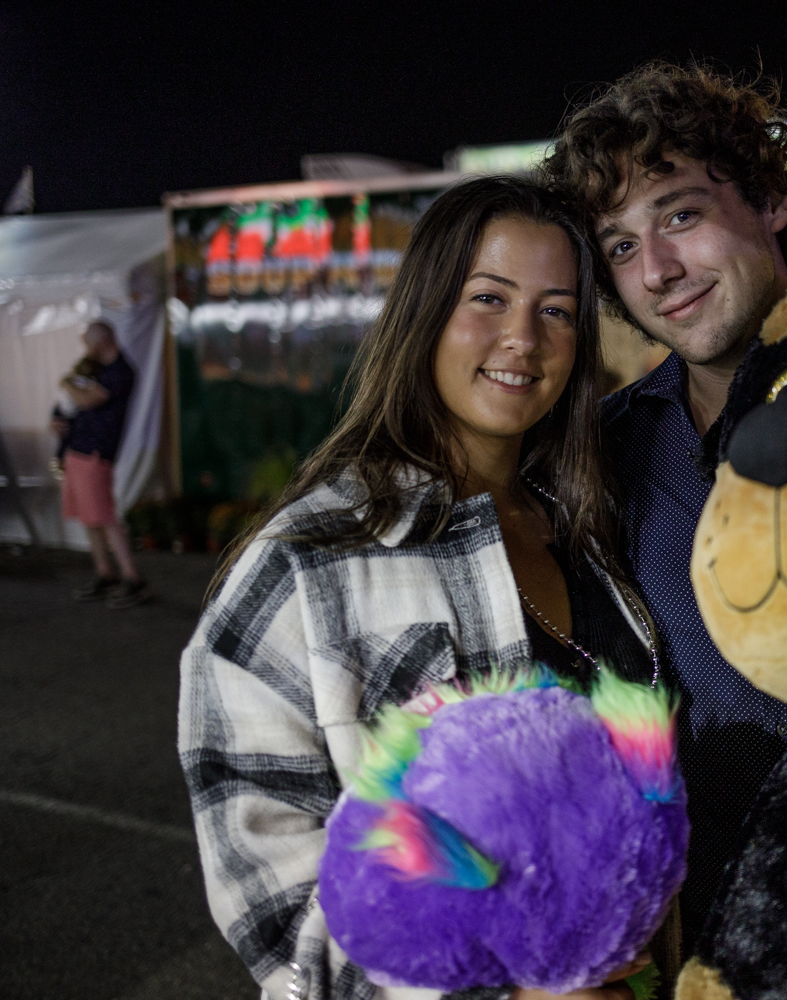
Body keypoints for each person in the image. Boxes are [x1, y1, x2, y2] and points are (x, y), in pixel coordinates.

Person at [179, 177, 663, 1000]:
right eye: (488, 298)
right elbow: (271, 899)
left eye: (555, 310)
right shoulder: (308, 560)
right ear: (426, 312)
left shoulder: (591, 530)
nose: (523, 339)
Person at [537, 62, 787, 948]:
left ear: (774, 200)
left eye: (680, 214)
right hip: (710, 934)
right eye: (622, 247)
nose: (660, 270)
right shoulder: (607, 452)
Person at [50, 320, 149, 608]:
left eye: (89, 343)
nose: (86, 350)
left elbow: (87, 399)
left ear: (101, 341)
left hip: (96, 452)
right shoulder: (97, 369)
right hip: (77, 449)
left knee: (104, 516)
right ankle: (105, 573)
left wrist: (67, 383)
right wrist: (57, 421)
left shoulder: (120, 371)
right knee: (88, 516)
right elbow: (70, 404)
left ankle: (133, 578)